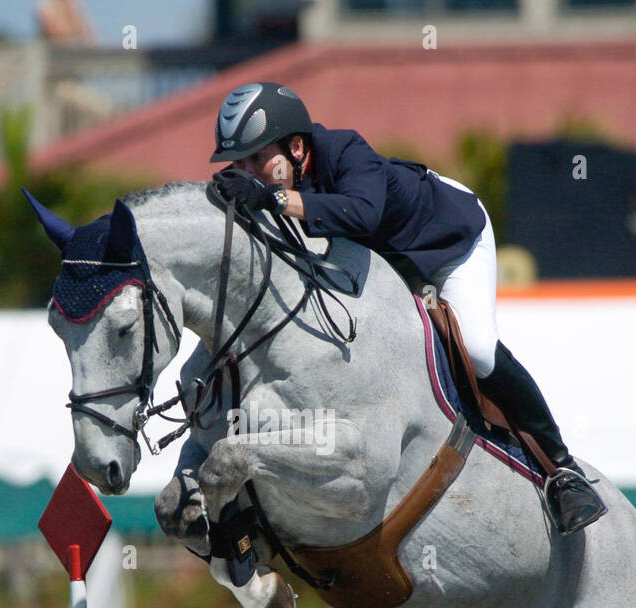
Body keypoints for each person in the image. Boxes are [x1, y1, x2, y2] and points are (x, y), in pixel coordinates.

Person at [208, 81, 607, 535]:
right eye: (240, 163)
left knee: (476, 349)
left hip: (448, 243)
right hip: (389, 270)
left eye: (258, 159)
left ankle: (564, 472)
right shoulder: (276, 185)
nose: (250, 172)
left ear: (296, 147)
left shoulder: (345, 151)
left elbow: (362, 216)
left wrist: (273, 199)